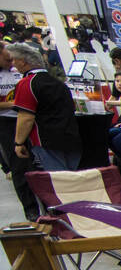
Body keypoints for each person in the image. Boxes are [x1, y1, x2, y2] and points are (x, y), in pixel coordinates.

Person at [10, 41, 82, 173]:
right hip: (70, 137)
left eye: (14, 60)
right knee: (72, 180)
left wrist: (18, 142)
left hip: (46, 141)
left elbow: (26, 117)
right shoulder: (58, 82)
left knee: (58, 183)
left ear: (22, 61)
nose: (12, 63)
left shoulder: (27, 83)